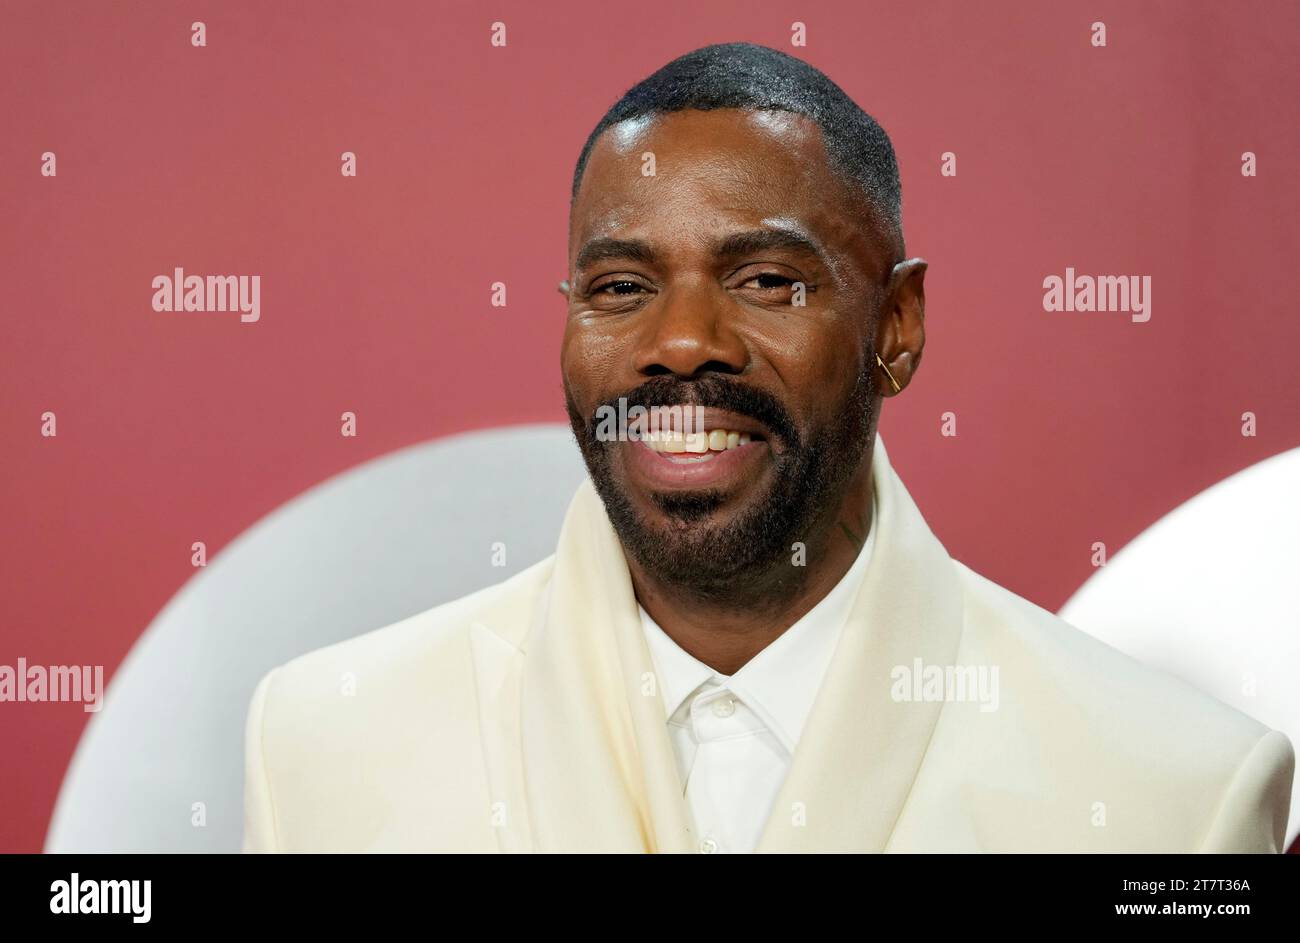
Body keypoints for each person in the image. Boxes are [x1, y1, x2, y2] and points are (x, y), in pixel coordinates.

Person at [241, 42, 1293, 853]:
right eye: (620, 287)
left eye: (766, 281)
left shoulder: (1174, 792)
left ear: (896, 327)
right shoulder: (327, 743)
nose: (682, 342)